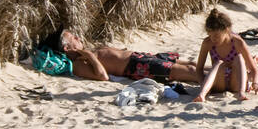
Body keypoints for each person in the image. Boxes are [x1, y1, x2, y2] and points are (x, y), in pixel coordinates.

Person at [38, 29, 203, 84]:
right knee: (190, 71)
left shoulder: (87, 52)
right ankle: (223, 80)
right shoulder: (79, 63)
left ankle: (225, 71)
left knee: (194, 64)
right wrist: (89, 55)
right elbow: (102, 76)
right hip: (137, 68)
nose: (78, 38)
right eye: (74, 38)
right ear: (67, 48)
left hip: (141, 57)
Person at [193, 9, 258, 103]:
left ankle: (241, 93)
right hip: (219, 84)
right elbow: (199, 69)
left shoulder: (237, 42)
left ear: (226, 30)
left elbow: (253, 69)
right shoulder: (207, 43)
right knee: (219, 62)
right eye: (210, 35)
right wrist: (202, 83)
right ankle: (202, 94)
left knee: (239, 58)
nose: (213, 39)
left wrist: (255, 83)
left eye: (216, 36)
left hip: (236, 83)